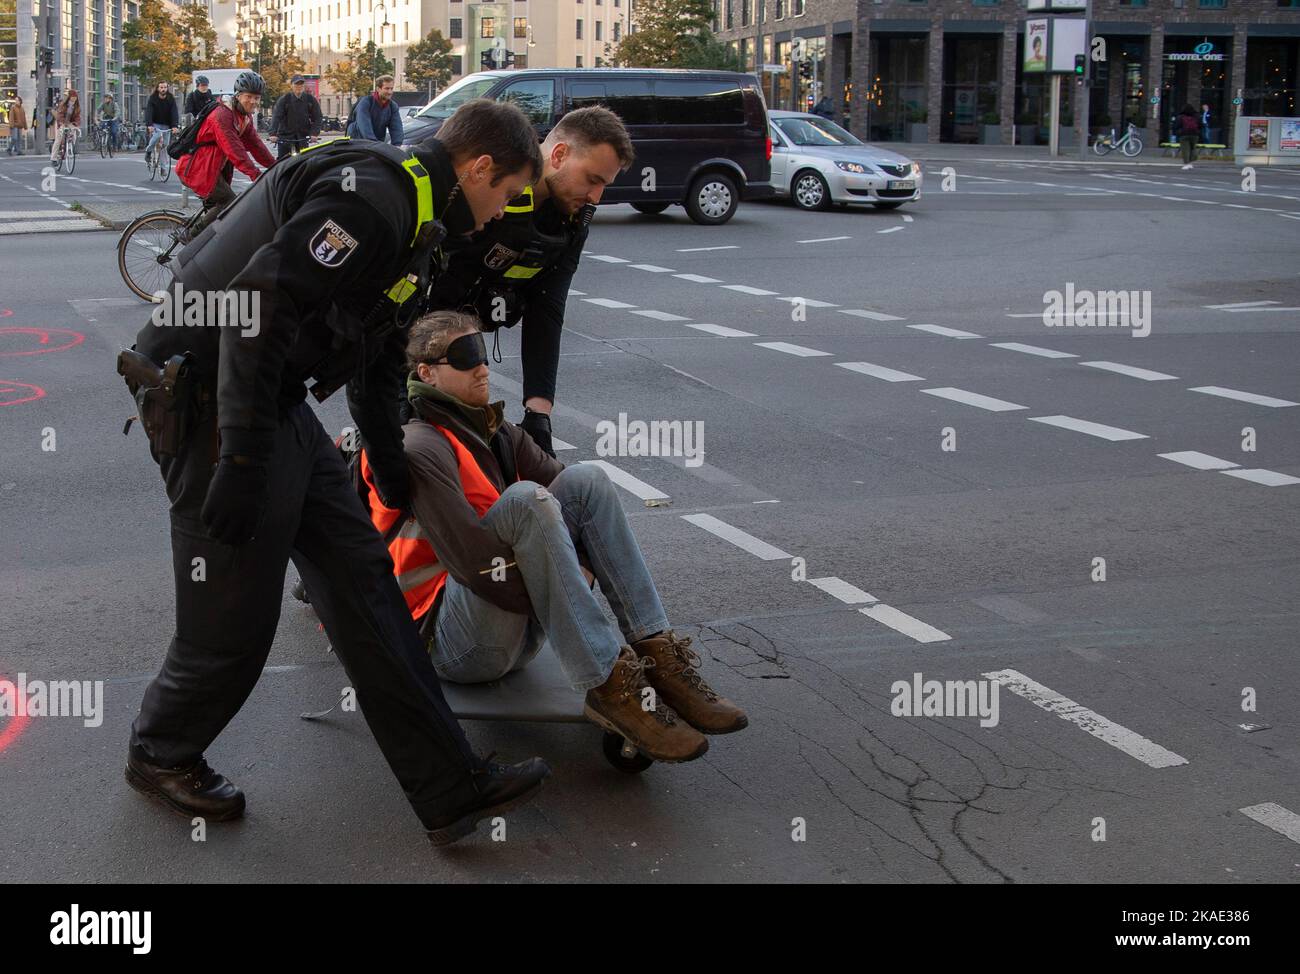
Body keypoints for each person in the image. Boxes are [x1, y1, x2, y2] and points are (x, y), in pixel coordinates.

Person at [121, 98, 548, 846]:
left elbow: (376, 352)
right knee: (232, 621)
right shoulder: (378, 199)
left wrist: (388, 465)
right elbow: (256, 301)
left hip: (264, 394)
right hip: (208, 397)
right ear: (479, 166)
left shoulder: (418, 217)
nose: (497, 216)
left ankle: (450, 788)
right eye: (504, 194)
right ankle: (161, 753)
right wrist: (246, 458)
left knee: (365, 583)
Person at [370, 310, 747, 763]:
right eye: (464, 356)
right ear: (427, 372)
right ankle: (608, 685)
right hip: (456, 647)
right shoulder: (420, 445)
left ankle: (660, 658)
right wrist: (561, 584)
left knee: (588, 479)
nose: (483, 367)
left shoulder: (496, 431)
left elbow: (575, 505)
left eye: (482, 352)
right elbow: (473, 567)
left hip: (516, 632)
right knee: (529, 498)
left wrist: (567, 570)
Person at [421, 106, 633, 456]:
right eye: (593, 180)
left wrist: (539, 412)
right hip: (419, 336)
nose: (596, 197)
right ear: (561, 154)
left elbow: (547, 307)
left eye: (604, 186)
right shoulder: (488, 191)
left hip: (466, 336)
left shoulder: (571, 220)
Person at [176, 71, 276, 236]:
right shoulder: (222, 115)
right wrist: (255, 175)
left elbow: (256, 145)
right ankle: (190, 236)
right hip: (199, 168)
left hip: (212, 170)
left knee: (219, 218)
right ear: (238, 95)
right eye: (249, 96)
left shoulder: (243, 117)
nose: (253, 101)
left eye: (256, 98)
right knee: (229, 203)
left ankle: (206, 247)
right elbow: (234, 149)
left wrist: (276, 166)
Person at [269, 74, 322, 160]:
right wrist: (273, 134)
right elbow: (276, 117)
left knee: (303, 162)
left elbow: (318, 117)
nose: (299, 86)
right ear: (292, 85)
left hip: (302, 137)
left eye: (301, 84)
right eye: (296, 84)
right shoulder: (284, 99)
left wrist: (314, 133)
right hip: (285, 137)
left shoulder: (310, 99)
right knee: (283, 162)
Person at [348, 75, 404, 144]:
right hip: (357, 141)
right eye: (386, 88)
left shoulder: (392, 106)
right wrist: (374, 144)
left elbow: (396, 128)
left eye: (391, 89)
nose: (390, 92)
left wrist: (397, 145)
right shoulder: (366, 102)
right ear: (378, 89)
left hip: (376, 142)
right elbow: (364, 126)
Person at [143, 81, 180, 168]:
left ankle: (163, 167)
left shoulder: (171, 98)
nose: (163, 89)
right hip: (155, 123)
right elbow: (149, 111)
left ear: (167, 88)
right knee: (156, 137)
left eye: (165, 87)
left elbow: (174, 112)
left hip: (167, 124)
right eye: (161, 87)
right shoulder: (153, 98)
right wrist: (149, 125)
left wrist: (174, 126)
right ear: (158, 88)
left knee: (165, 144)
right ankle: (148, 151)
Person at [49, 88, 81, 163]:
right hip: (62, 122)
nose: (74, 99)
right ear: (69, 97)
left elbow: (77, 116)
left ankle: (70, 148)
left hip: (70, 122)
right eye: (72, 97)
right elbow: (60, 115)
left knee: (74, 133)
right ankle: (53, 158)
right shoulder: (63, 105)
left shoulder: (77, 106)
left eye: (75, 98)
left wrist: (76, 124)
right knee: (59, 138)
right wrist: (62, 123)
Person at [1177, 104, 1199, 170]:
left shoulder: (1181, 116)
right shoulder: (1196, 116)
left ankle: (1186, 163)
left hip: (1184, 134)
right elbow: (1201, 125)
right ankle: (1191, 162)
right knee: (1193, 148)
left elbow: (1177, 125)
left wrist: (1178, 132)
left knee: (1185, 149)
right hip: (1194, 135)